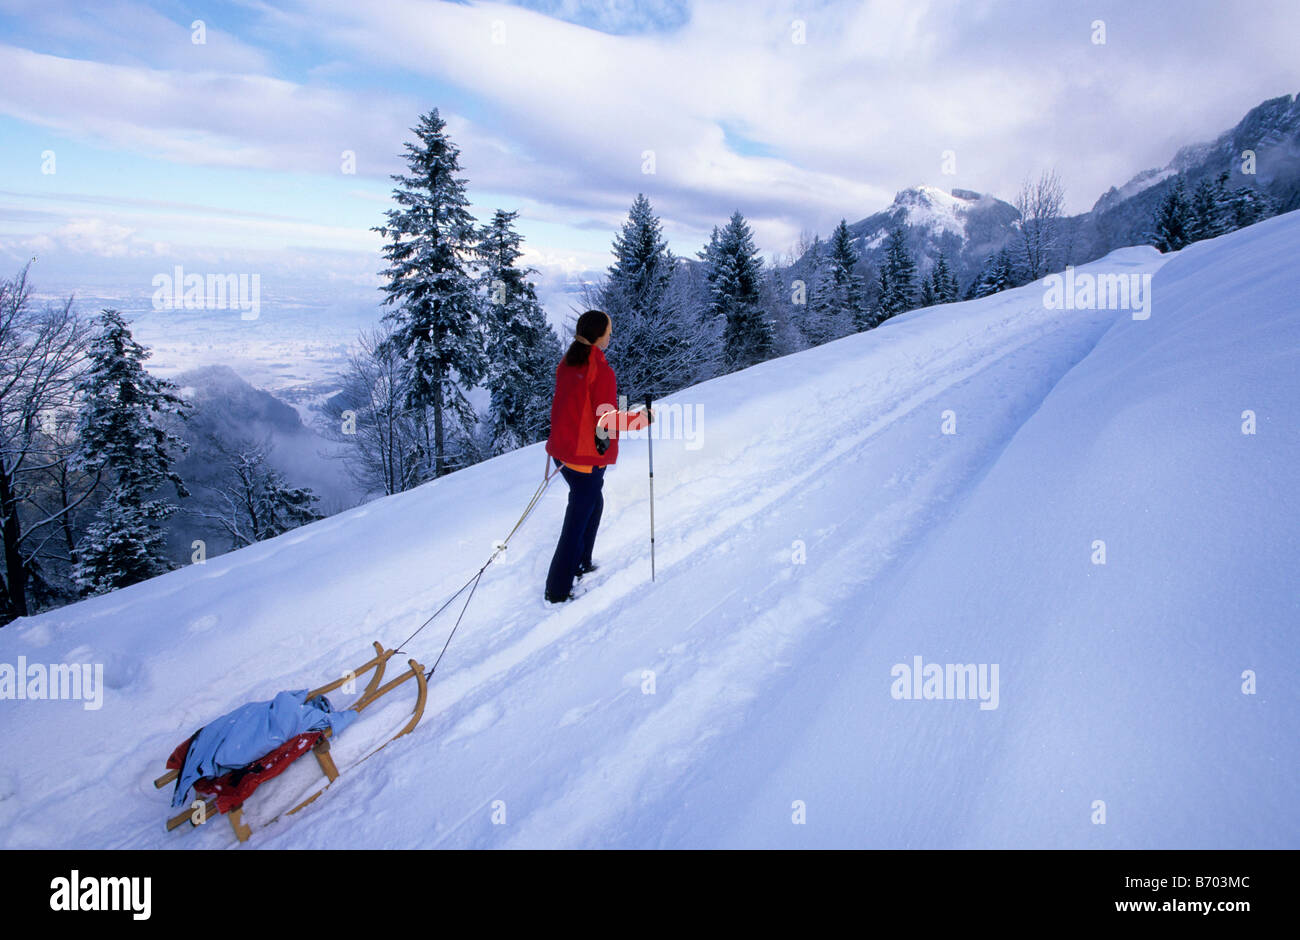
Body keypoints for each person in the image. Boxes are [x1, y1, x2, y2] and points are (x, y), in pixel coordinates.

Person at [543, 309, 650, 603]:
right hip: (583, 459)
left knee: (593, 502)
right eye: (609, 331)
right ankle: (557, 590)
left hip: (562, 455)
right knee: (577, 519)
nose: (611, 335)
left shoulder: (568, 362)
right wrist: (642, 419)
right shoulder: (600, 370)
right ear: (599, 336)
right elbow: (607, 420)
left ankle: (582, 561)